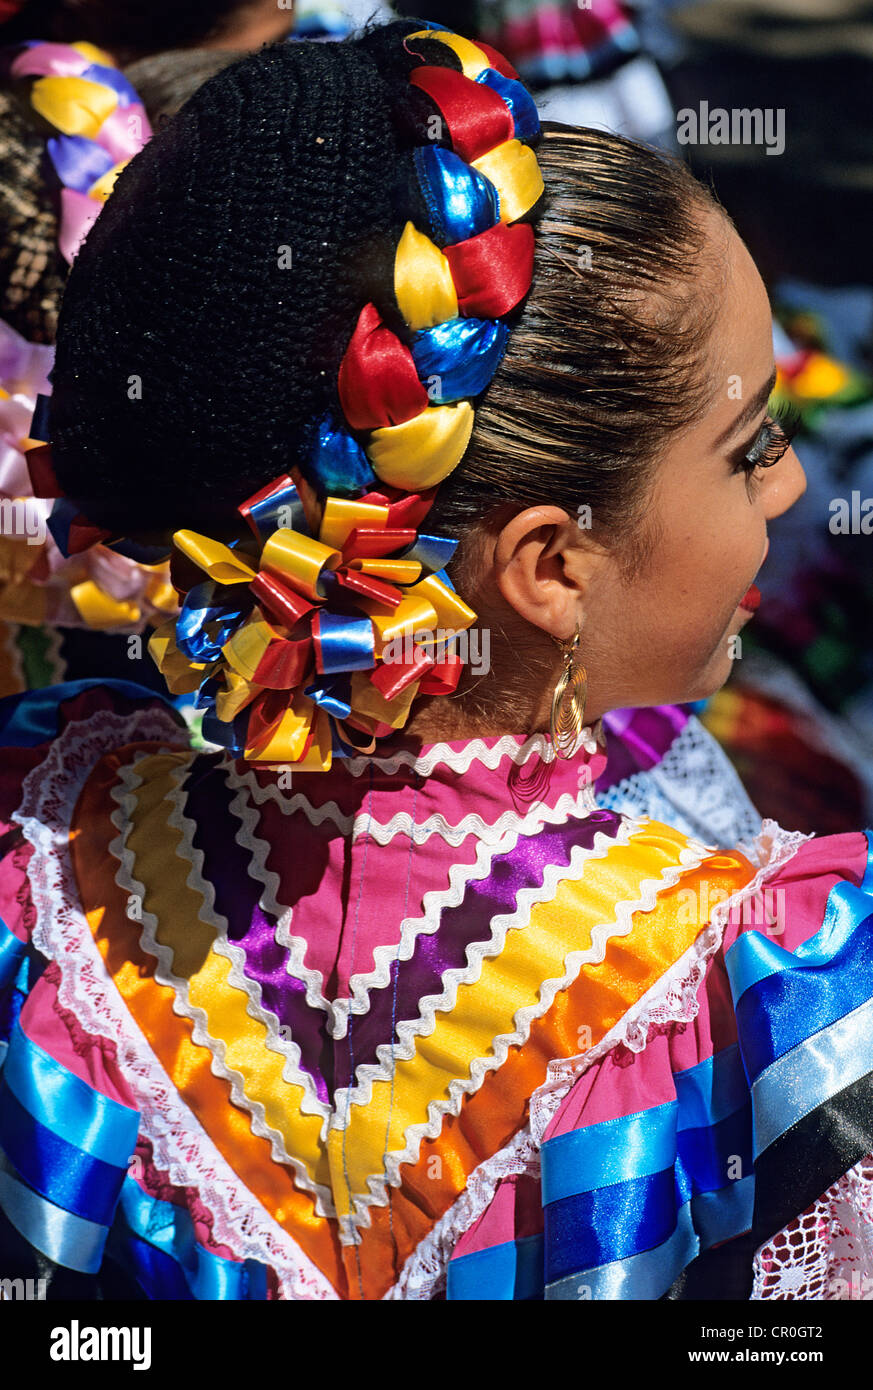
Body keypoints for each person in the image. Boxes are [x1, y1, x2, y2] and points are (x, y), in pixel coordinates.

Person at [0, 20, 870, 1302]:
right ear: (549, 569)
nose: (795, 486)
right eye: (749, 445)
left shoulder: (46, 877)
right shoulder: (786, 1007)